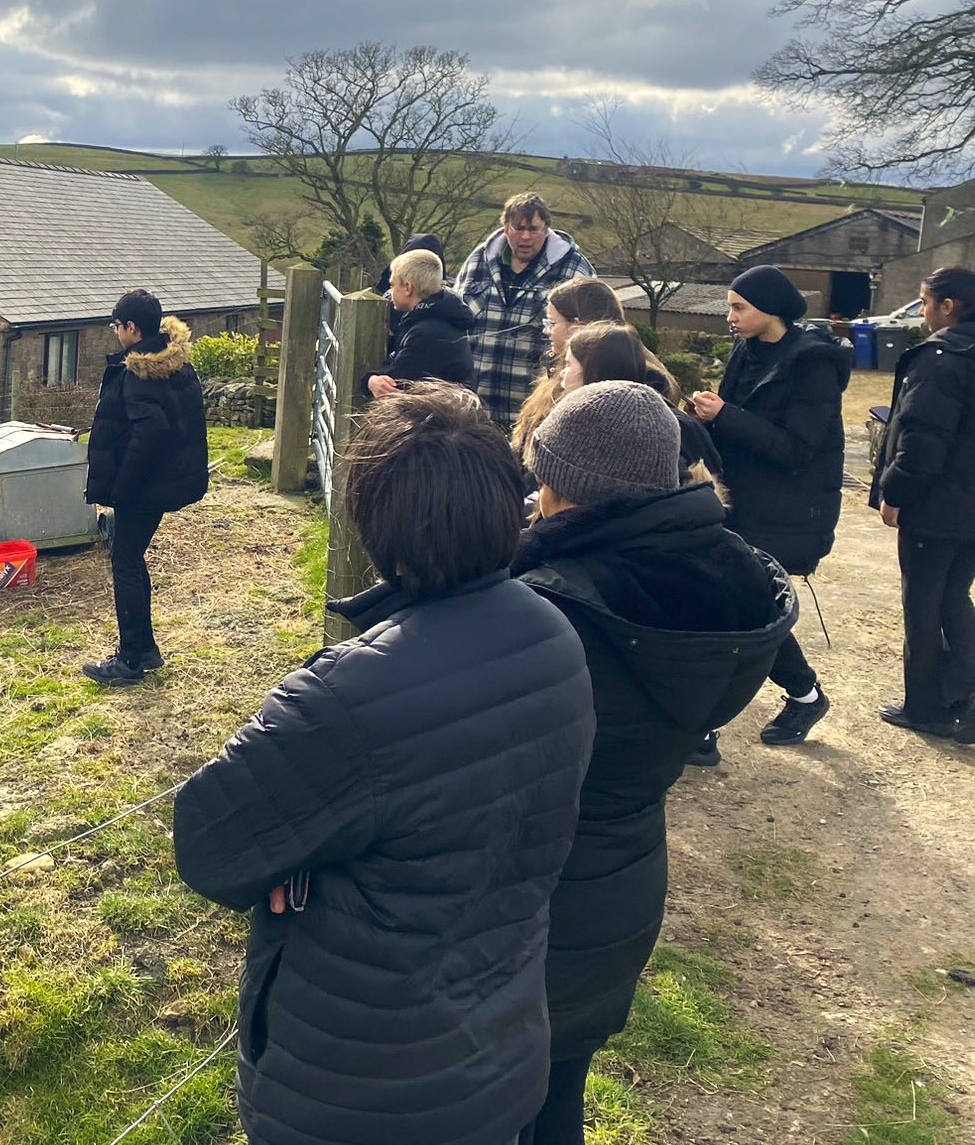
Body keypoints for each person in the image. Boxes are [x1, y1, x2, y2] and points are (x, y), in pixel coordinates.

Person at [173, 386, 595, 1145]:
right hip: (496, 1053)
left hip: (358, 1091)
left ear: (376, 525)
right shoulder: (554, 635)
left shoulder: (348, 695)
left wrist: (295, 869)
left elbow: (209, 845)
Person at [512, 382, 797, 1144]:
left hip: (530, 885)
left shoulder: (559, 606)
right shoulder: (725, 579)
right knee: (560, 1078)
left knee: (497, 1089)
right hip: (624, 872)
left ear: (564, 484)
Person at [869, 267, 975, 744]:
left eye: (924, 302)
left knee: (923, 601)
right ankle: (969, 693)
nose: (922, 312)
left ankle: (927, 705)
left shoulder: (940, 358)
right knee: (954, 594)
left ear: (948, 306)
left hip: (939, 506)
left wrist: (895, 493)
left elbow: (922, 441)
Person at [687, 266, 852, 761]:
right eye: (730, 306)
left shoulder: (813, 364)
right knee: (742, 608)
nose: (730, 316)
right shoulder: (746, 350)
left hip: (787, 510)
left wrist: (726, 416)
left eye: (739, 307)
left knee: (742, 611)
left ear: (771, 309)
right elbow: (734, 424)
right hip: (740, 502)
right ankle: (803, 696)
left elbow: (796, 448)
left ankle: (708, 726)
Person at [82, 290, 209, 687]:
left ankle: (132, 658)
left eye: (117, 326)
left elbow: (150, 433)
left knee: (126, 563)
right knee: (131, 559)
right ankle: (145, 650)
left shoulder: (138, 373)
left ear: (132, 329)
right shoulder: (175, 363)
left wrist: (122, 487)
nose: (116, 333)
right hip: (164, 481)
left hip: (143, 488)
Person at [510, 276, 698, 466]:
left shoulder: (641, 380)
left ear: (576, 327)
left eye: (552, 323)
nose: (546, 331)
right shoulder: (564, 367)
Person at [455, 193, 595, 430]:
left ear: (547, 229)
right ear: (505, 227)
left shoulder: (574, 271)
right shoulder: (478, 260)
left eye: (534, 229)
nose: (526, 236)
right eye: (518, 228)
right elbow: (456, 321)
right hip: (475, 410)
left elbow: (591, 341)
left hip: (537, 415)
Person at [560, 323, 722, 485]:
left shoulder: (639, 434)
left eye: (568, 365)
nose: (561, 374)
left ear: (592, 372)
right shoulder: (624, 419)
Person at [365, 248, 476, 395]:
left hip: (438, 416)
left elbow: (394, 384)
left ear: (407, 288)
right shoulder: (438, 319)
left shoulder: (427, 333)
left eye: (392, 285)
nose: (390, 293)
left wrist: (369, 381)